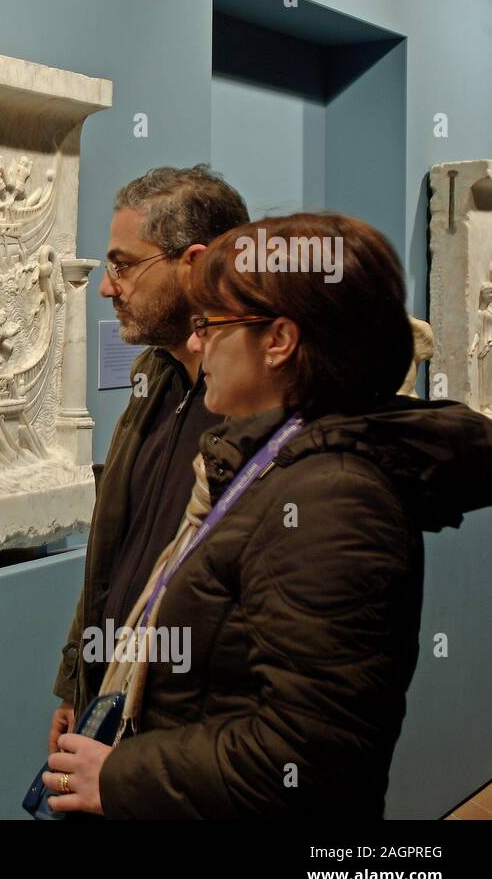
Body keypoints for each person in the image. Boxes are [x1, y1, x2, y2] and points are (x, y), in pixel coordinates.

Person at [44, 213, 492, 817]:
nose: (197, 344)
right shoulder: (273, 462)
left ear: (279, 341)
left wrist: (124, 777)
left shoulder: (333, 501)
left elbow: (309, 760)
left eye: (210, 325)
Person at [48, 166, 248, 756]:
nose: (107, 289)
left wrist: (149, 767)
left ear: (194, 264)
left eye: (124, 265)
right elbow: (116, 549)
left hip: (184, 743)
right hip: (115, 708)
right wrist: (80, 685)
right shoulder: (153, 377)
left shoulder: (258, 409)